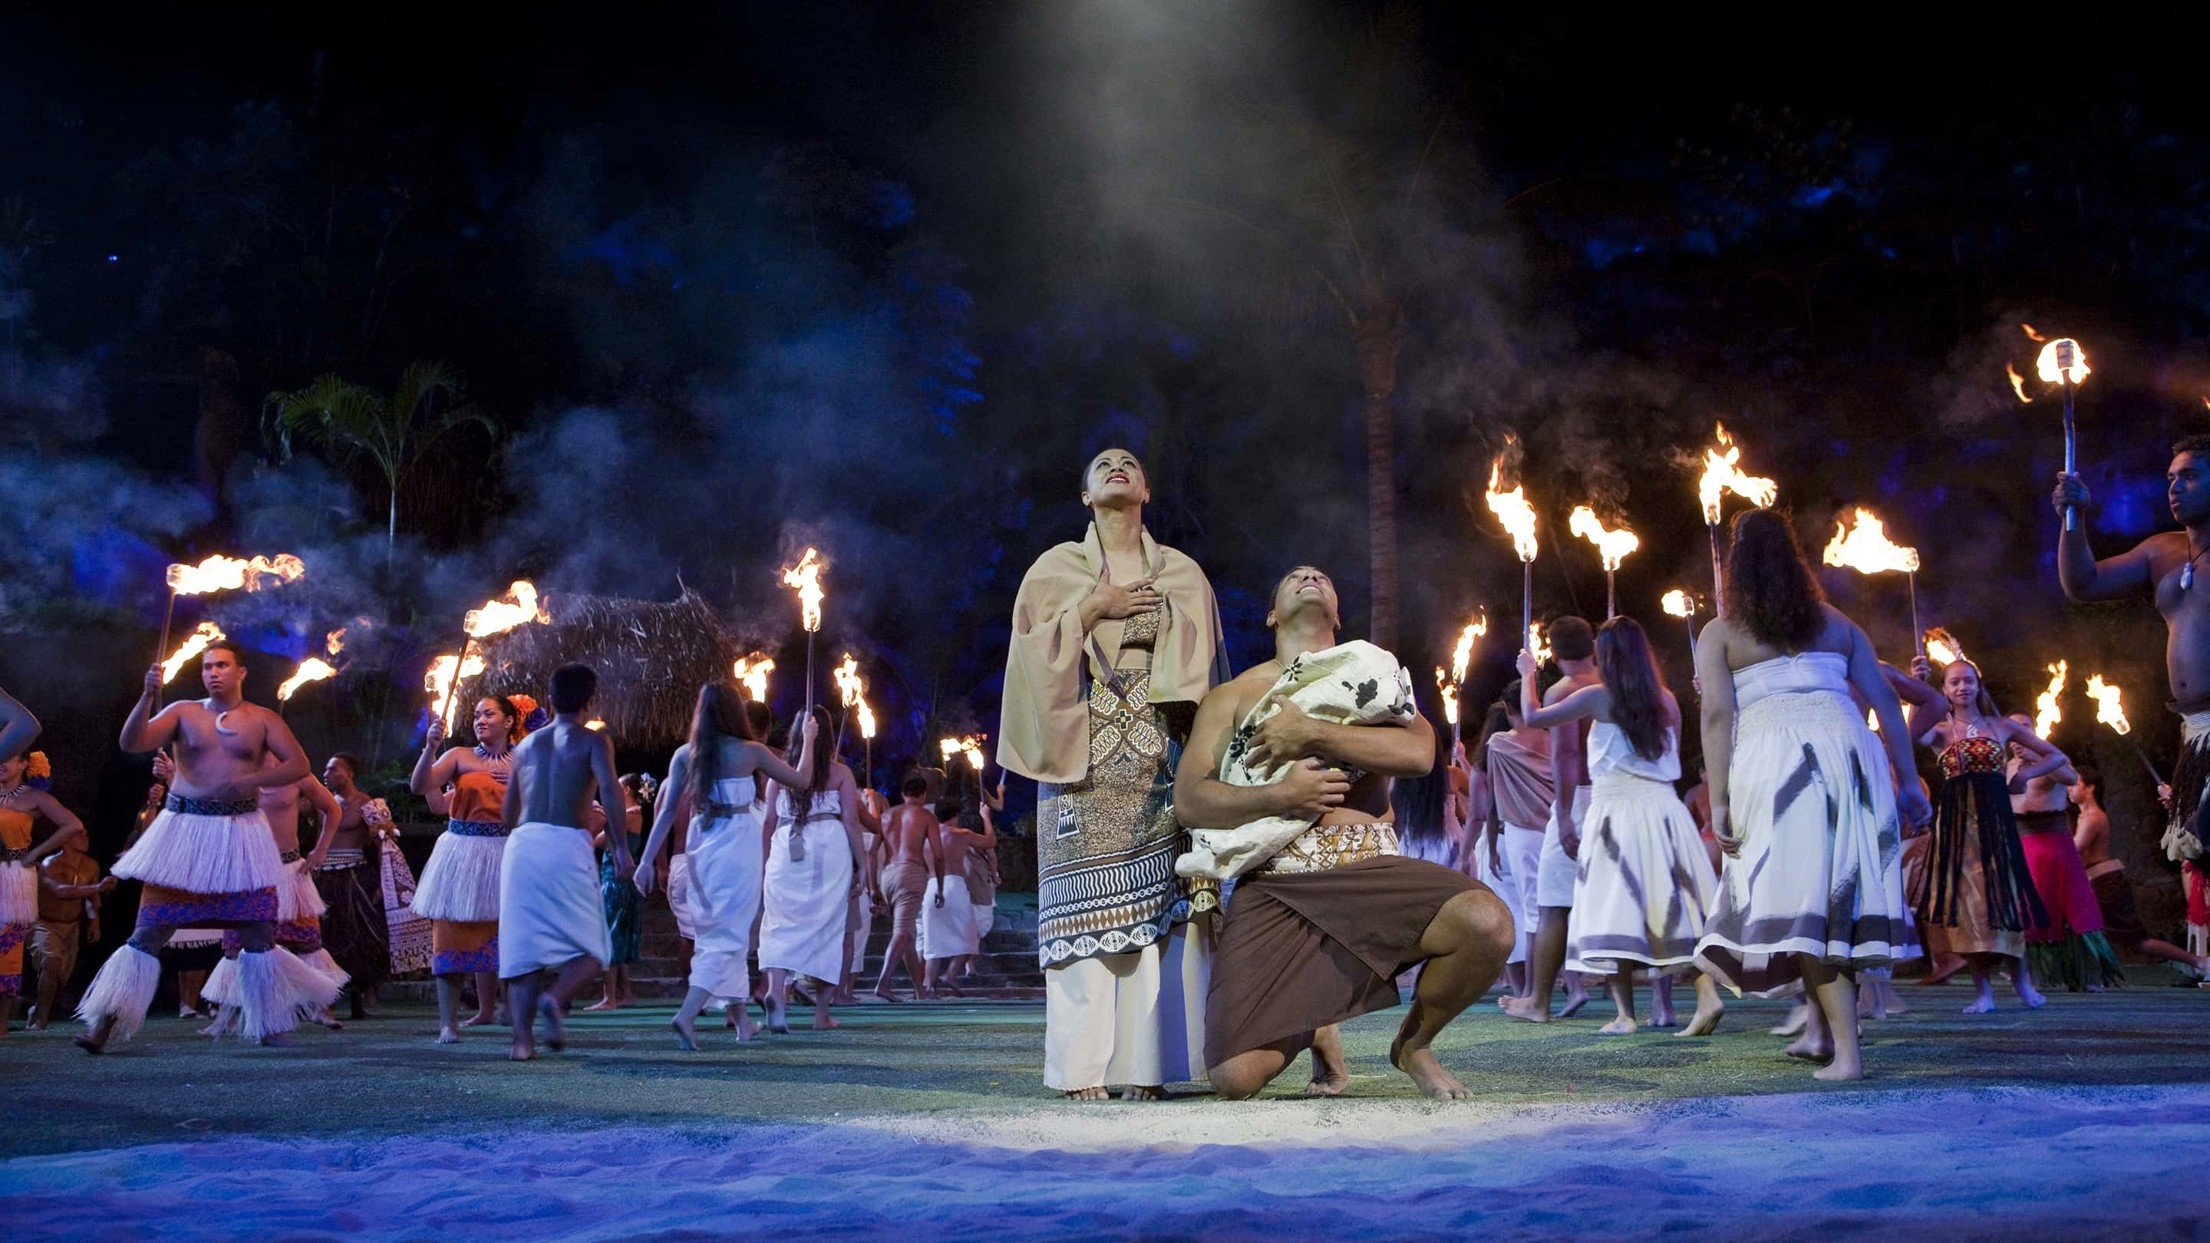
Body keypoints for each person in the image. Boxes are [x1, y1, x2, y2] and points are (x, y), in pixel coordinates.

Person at [1177, 566, 1513, 1101]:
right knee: (1234, 1079)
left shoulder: (1371, 677)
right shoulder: (1234, 696)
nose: (1309, 576)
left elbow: (1419, 753)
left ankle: (1414, 1045)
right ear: (1271, 614)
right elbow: (1190, 800)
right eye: (1293, 577)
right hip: (1276, 882)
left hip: (1368, 870)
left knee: (1487, 924)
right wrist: (1279, 797)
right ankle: (1319, 1024)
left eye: (1322, 577)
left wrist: (1310, 732)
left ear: (1338, 615)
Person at [1688, 508, 1929, 1080]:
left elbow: (1718, 717)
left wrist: (1718, 799)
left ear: (1735, 568)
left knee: (1805, 905)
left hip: (1778, 762)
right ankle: (1822, 1033)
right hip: (1849, 753)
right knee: (1833, 894)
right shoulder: (1837, 623)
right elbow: (1889, 705)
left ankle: (1847, 1054)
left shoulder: (1721, 632)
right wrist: (1909, 777)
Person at [79, 642, 337, 1052]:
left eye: (222, 665)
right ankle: (102, 1027)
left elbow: (299, 765)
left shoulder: (263, 719)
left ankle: (268, 1026)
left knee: (258, 933)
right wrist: (147, 696)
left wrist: (253, 781)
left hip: (241, 835)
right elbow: (133, 742)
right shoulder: (183, 711)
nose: (213, 672)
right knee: (148, 931)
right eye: (207, 667)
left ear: (241, 672)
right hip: (183, 832)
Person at [1516, 618, 1724, 1038]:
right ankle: (1704, 995)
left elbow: (1533, 717)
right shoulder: (1666, 700)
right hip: (1664, 809)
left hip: (1617, 811)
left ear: (1606, 655)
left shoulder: (1596, 697)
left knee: (1616, 908)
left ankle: (1626, 1014)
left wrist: (1527, 675)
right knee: (1672, 907)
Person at [635, 683, 816, 1049]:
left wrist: (644, 862)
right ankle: (686, 1014)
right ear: (735, 712)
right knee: (730, 935)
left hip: (702, 847)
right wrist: (809, 739)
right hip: (736, 847)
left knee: (718, 932)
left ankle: (743, 1022)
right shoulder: (750, 751)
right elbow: (801, 780)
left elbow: (666, 814)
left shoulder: (687, 754)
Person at [2054, 437, 2210, 848]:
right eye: (2171, 478)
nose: (2175, 487)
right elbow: (2083, 584)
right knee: (2198, 857)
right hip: (2195, 730)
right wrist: (2073, 516)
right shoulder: (2162, 550)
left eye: (2190, 477)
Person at [1906, 656, 2059, 1013]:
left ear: (1978, 684)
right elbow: (1911, 735)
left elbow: (2054, 756)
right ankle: (1983, 992)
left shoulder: (2001, 725)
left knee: (2004, 899)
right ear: (1944, 689)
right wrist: (1918, 690)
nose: (1962, 687)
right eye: (1954, 682)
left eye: (1968, 681)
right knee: (1968, 906)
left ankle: (2022, 982)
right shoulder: (1941, 732)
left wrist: (2023, 776)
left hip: (1996, 823)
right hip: (1957, 826)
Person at [499, 664, 629, 1061]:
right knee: (593, 947)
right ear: (590, 702)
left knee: (523, 949)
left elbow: (508, 814)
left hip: (523, 846)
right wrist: (620, 848)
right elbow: (609, 792)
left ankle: (522, 1044)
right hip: (566, 843)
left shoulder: (524, 747)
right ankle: (555, 999)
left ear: (550, 699)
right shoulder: (593, 742)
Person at [410, 694, 531, 1043]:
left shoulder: (524, 760)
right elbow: (420, 787)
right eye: (477, 715)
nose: (480, 720)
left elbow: (541, 806)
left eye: (489, 714)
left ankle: (504, 1012)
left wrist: (519, 789)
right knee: (451, 930)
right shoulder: (460, 756)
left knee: (505, 933)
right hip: (461, 852)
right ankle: (448, 1023)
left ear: (509, 721)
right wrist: (429, 748)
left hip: (507, 849)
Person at [203, 751, 349, 1034]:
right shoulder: (236, 776)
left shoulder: (296, 775)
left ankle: (320, 1008)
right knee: (236, 944)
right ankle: (227, 1015)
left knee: (308, 940)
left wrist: (321, 850)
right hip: (249, 871)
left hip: (290, 868)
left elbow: (333, 809)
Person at [1503, 616, 1599, 1025]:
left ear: (1554, 653)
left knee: (1552, 903)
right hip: (1618, 795)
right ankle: (1663, 1004)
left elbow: (1566, 755)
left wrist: (1562, 815)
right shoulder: (1616, 683)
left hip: (1579, 798)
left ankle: (1538, 1001)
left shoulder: (1565, 690)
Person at [758, 705, 865, 1032]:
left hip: (785, 851)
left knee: (778, 923)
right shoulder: (840, 773)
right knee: (828, 928)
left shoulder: (778, 771)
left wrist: (764, 866)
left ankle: (776, 991)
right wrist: (864, 864)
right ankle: (821, 1014)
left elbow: (768, 823)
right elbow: (851, 821)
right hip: (828, 851)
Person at [2004, 719, 2124, 991]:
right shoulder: (2006, 766)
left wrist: (2037, 756)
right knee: (2030, 909)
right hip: (2022, 841)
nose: (2019, 732)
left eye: (2024, 725)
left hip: (2054, 841)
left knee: (2075, 906)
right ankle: (2037, 974)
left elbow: (2070, 778)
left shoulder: (2051, 756)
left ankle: (2088, 974)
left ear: (2033, 729)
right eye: (2013, 727)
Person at [2075, 767, 2209, 975]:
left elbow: (2074, 851)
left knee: (2135, 940)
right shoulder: (2083, 816)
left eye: (2074, 783)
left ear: (2089, 788)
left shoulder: (2093, 817)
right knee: (2079, 928)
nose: (2067, 788)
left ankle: (2199, 961)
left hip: (2106, 883)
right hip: (2096, 882)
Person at [0, 750, 86, 1032]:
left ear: (24, 764)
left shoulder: (33, 799)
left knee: (6, 951)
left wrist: (35, 851)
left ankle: (1, 1024)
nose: (1, 763)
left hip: (12, 877)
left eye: (8, 757)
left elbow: (73, 824)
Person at [1480, 687, 1553, 1003]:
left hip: (1522, 832)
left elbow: (1494, 798)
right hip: (1556, 827)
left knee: (1531, 912)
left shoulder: (1499, 743)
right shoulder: (1553, 739)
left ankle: (1533, 993)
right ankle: (1565, 987)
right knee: (1556, 908)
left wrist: (1493, 841)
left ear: (1509, 707)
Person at [314, 754, 392, 1019]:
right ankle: (325, 999)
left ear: (349, 773)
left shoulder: (366, 803)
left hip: (354, 876)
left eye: (332, 769)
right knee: (325, 937)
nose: (326, 774)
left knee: (358, 937)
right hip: (323, 875)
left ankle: (358, 999)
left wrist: (384, 881)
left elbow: (383, 843)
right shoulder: (322, 801)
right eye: (325, 769)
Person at [32, 806, 112, 1029]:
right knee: (51, 962)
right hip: (45, 923)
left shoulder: (91, 865)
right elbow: (61, 891)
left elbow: (91, 898)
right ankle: (41, 1019)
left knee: (61, 976)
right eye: (79, 834)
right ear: (65, 838)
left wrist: (94, 921)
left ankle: (35, 1008)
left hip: (71, 927)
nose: (85, 837)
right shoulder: (50, 864)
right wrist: (98, 886)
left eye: (85, 833)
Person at [921, 797, 998, 996]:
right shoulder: (961, 834)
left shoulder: (925, 837)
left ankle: (929, 985)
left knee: (932, 941)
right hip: (954, 886)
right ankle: (951, 974)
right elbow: (990, 841)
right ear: (955, 817)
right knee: (971, 936)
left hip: (931, 886)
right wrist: (985, 817)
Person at [586, 774, 649, 1012]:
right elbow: (596, 840)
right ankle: (626, 994)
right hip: (614, 879)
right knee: (617, 937)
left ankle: (609, 997)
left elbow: (599, 834)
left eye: (617, 786)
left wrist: (593, 809)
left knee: (610, 937)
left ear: (625, 791)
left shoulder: (630, 816)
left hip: (617, 882)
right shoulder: (625, 816)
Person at [871, 773, 937, 1000]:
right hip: (910, 873)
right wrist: (939, 882)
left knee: (908, 933)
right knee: (902, 932)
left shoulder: (886, 816)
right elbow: (938, 854)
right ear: (924, 794)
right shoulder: (926, 815)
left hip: (887, 875)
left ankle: (919, 990)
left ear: (902, 794)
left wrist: (873, 886)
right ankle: (883, 982)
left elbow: (872, 853)